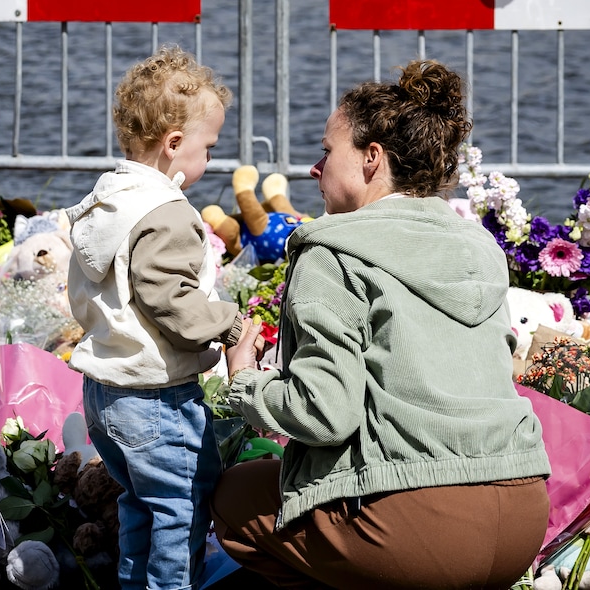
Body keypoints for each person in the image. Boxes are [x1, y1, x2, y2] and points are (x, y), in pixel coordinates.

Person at [214, 60, 552, 590]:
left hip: (418, 530)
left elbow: (325, 413)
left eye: (327, 152)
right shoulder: (478, 245)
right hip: (525, 516)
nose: (314, 169)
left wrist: (245, 384)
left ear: (372, 158)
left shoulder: (333, 250)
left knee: (235, 497)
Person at [65, 44, 249, 590]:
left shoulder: (109, 197)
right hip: (154, 396)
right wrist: (230, 325)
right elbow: (170, 298)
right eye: (207, 148)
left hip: (105, 391)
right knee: (180, 507)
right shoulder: (165, 213)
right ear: (174, 145)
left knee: (139, 505)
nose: (210, 160)